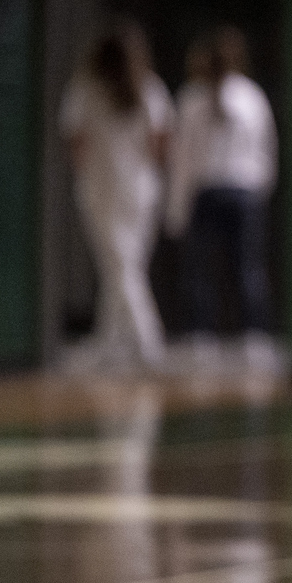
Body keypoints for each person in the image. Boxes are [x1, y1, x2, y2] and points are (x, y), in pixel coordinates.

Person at [166, 26, 280, 373]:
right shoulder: (252, 96)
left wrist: (177, 207)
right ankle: (254, 339)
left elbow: (183, 160)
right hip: (243, 192)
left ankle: (203, 338)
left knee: (202, 270)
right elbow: (266, 152)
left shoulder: (193, 99)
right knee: (246, 267)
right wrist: (260, 190)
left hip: (210, 191)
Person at [60, 25, 173, 372]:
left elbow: (76, 143)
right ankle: (110, 344)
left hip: (101, 189)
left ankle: (150, 344)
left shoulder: (84, 90)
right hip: (141, 190)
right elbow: (160, 144)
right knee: (121, 267)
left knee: (122, 269)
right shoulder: (150, 88)